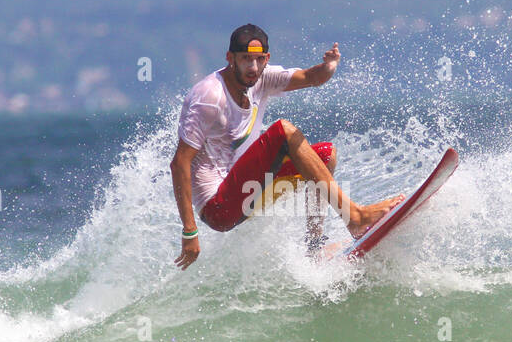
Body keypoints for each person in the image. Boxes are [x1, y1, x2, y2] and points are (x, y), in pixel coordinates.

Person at [172, 24, 403, 270]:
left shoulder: (262, 78)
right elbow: (179, 163)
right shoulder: (209, 97)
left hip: (249, 192)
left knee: (324, 155)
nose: (252, 68)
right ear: (230, 58)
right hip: (218, 208)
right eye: (244, 59)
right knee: (282, 131)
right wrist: (189, 232)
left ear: (267, 59)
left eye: (259, 59)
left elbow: (311, 78)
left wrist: (329, 66)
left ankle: (314, 250)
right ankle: (354, 217)